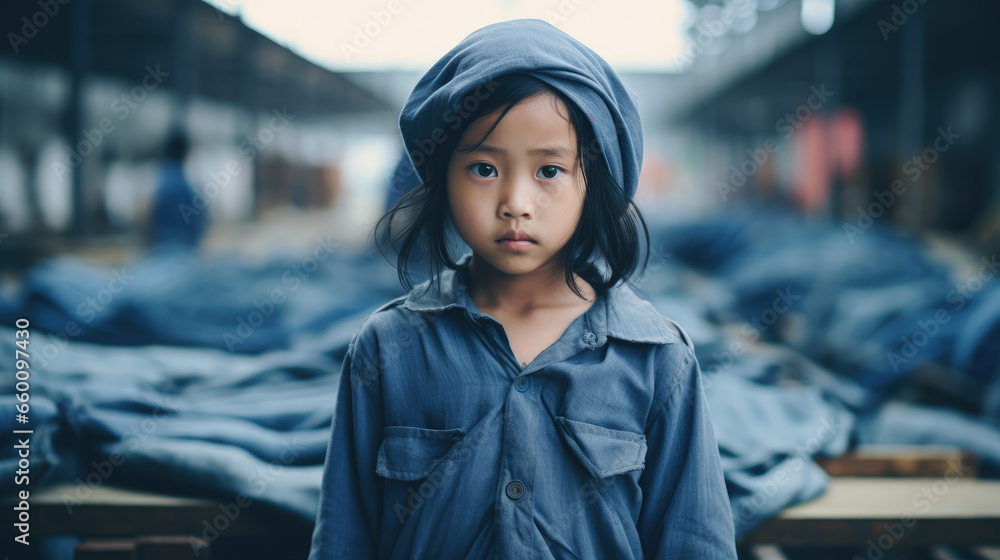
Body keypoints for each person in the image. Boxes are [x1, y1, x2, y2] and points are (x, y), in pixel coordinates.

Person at [308, 19, 736, 559]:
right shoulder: (386, 349)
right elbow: (344, 539)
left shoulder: (657, 362)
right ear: (442, 178)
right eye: (484, 168)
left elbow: (695, 542)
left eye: (550, 170)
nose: (515, 201)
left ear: (593, 182)